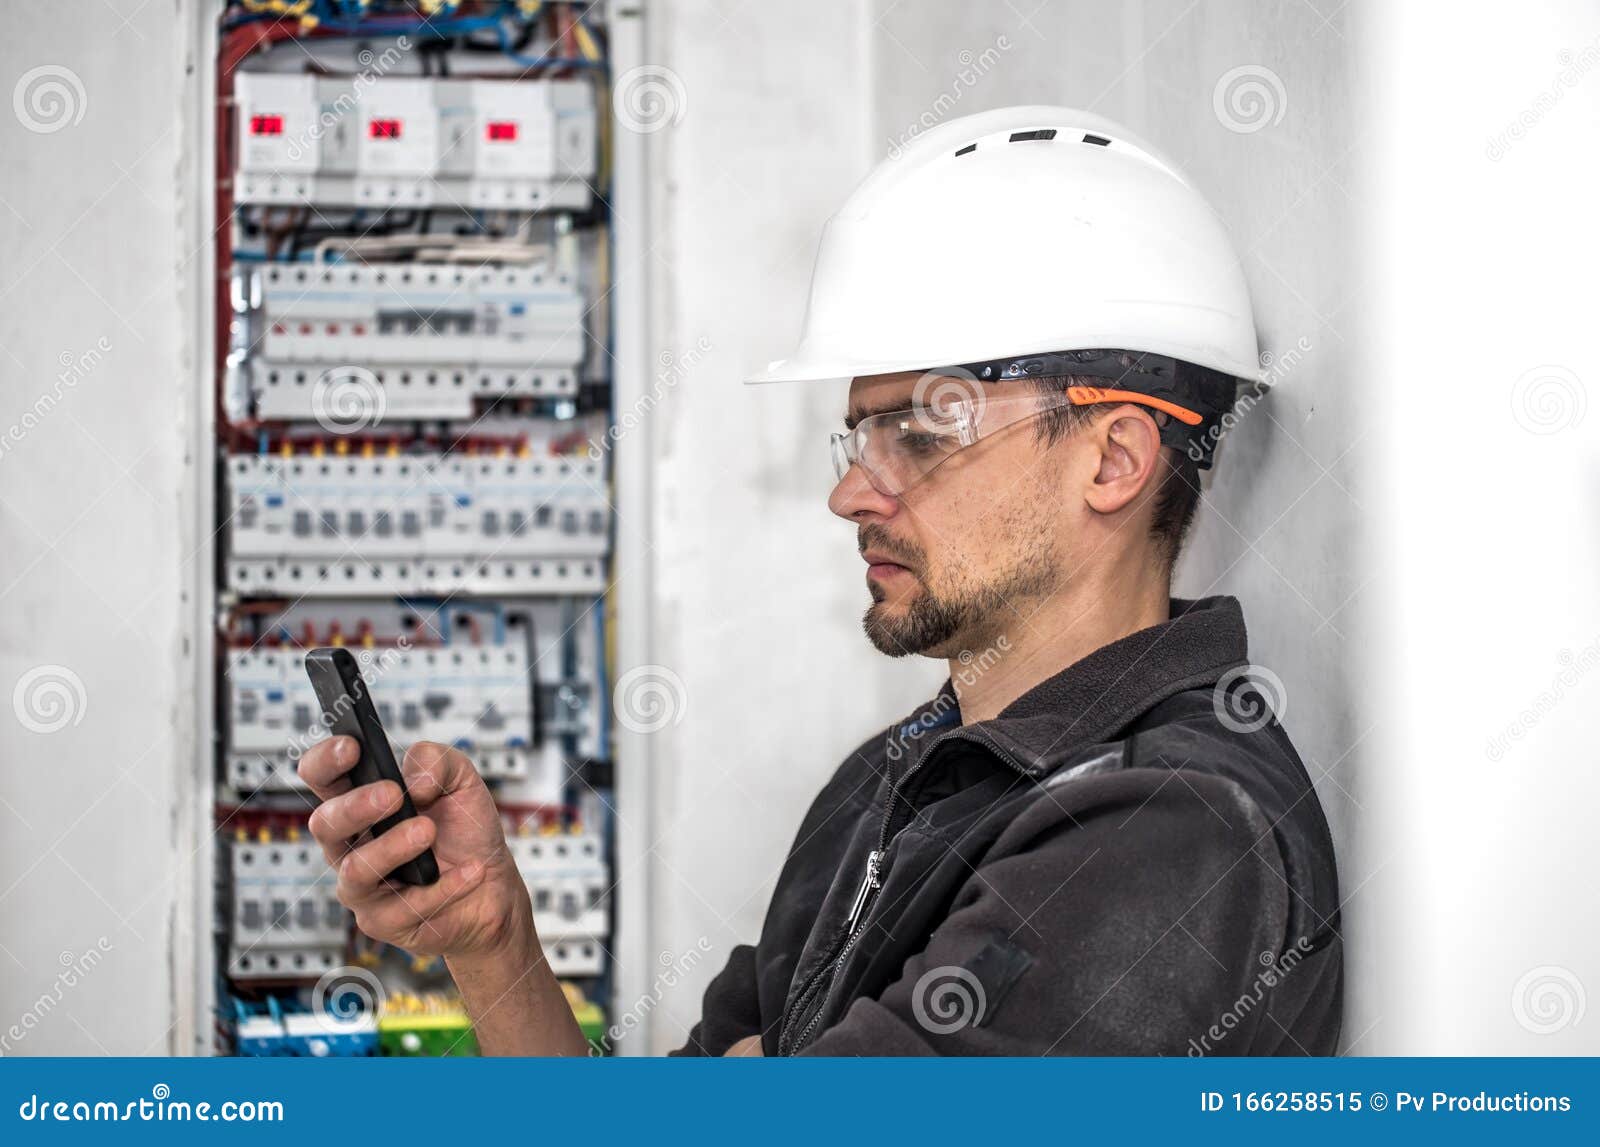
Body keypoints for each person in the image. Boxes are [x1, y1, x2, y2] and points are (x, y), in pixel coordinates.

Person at [298, 106, 1342, 1056]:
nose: (849, 494)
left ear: (1112, 461)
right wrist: (493, 939)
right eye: (860, 437)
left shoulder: (1173, 831)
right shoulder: (894, 777)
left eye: (923, 431)